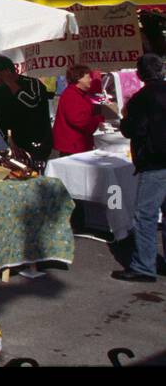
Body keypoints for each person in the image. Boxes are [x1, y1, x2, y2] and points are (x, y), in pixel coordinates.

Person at [112, 53, 166, 282]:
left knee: (146, 215)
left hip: (154, 162)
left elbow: (133, 130)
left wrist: (124, 117)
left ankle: (144, 266)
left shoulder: (141, 98)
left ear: (141, 73)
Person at [0, 55, 53, 167]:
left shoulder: (33, 83)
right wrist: (10, 141)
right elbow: (0, 120)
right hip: (17, 145)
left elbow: (32, 103)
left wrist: (11, 84)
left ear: (7, 71)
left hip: (39, 142)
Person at [52, 64, 104, 157]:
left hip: (78, 145)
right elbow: (79, 121)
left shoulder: (80, 94)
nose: (91, 80)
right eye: (88, 77)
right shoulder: (71, 95)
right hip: (73, 147)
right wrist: (97, 120)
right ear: (79, 78)